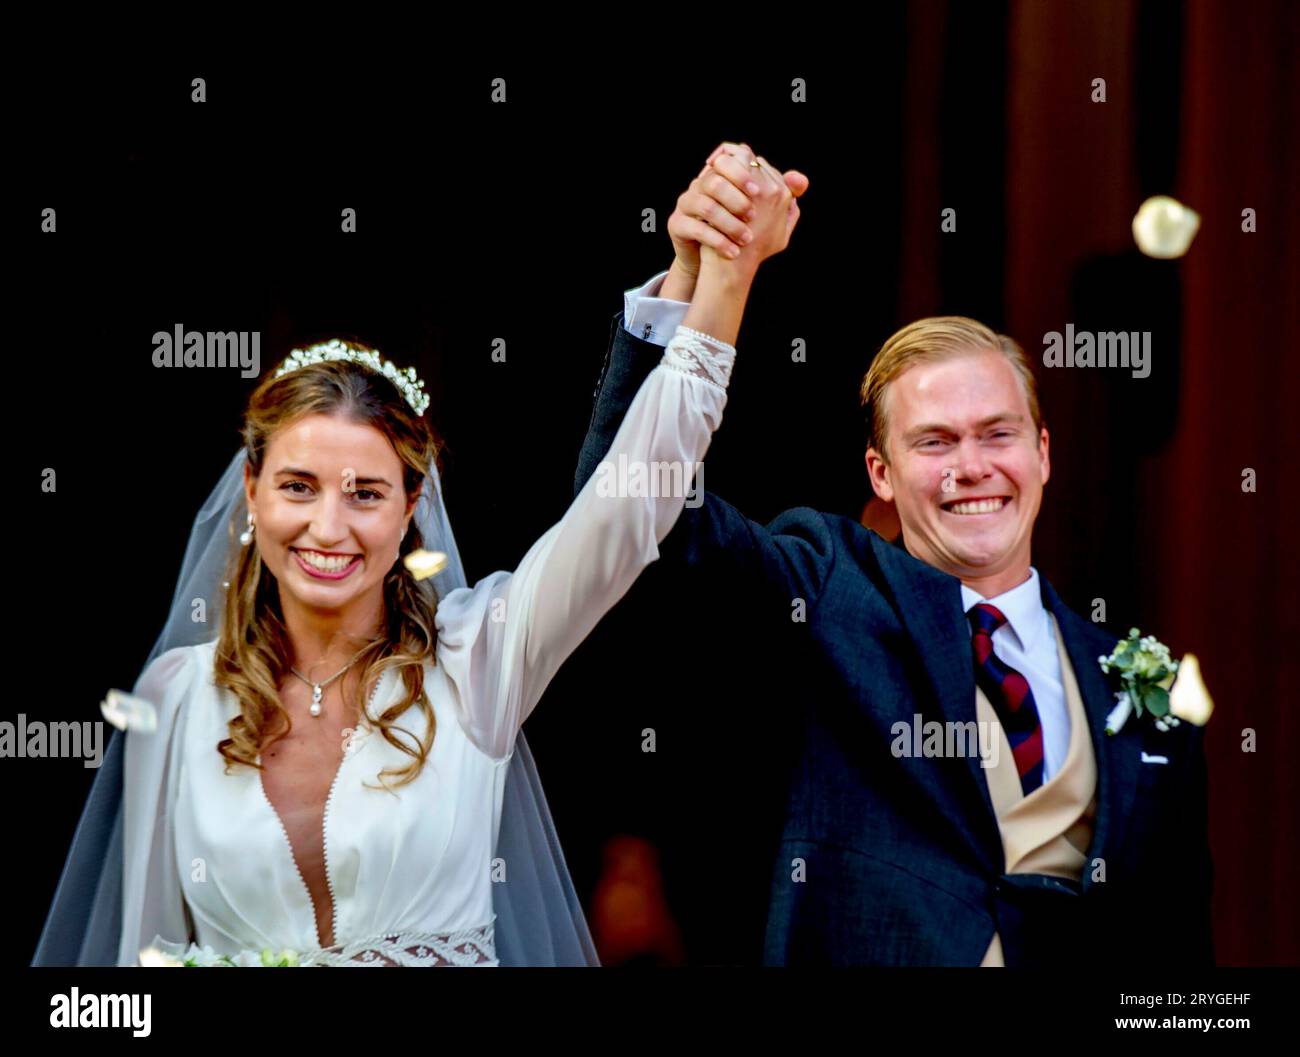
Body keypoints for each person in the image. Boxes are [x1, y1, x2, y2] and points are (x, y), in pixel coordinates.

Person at [32, 155, 802, 967]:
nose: (329, 526)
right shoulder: (177, 696)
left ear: (410, 508)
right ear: (253, 491)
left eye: (365, 493)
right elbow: (136, 967)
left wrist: (718, 276)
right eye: (299, 486)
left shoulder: (478, 659)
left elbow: (629, 504)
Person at [573, 141, 1214, 967]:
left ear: (1044, 453)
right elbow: (630, 511)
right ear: (881, 471)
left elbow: (1183, 961)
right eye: (934, 441)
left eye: (998, 434)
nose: (973, 466)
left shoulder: (1137, 683)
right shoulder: (830, 586)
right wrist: (691, 285)